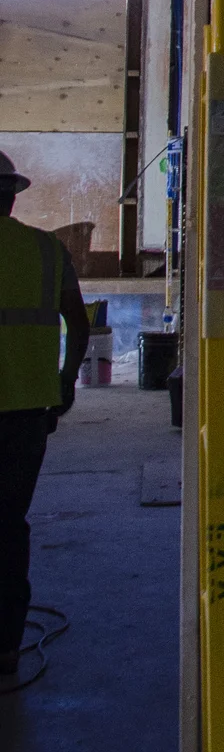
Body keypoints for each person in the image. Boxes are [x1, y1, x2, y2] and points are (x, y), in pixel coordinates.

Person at [0, 151, 91, 678]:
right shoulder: (45, 249)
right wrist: (64, 383)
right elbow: (78, 326)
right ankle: (5, 647)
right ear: (13, 197)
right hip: (28, 413)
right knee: (8, 528)